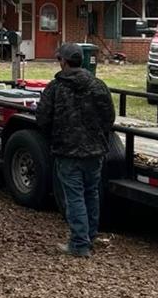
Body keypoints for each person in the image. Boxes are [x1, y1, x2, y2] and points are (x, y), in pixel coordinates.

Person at [36, 43, 116, 258]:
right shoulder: (99, 85)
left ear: (62, 61)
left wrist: (52, 137)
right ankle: (89, 236)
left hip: (67, 151)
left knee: (74, 197)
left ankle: (79, 243)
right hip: (95, 151)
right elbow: (109, 117)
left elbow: (42, 118)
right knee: (91, 193)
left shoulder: (55, 88)